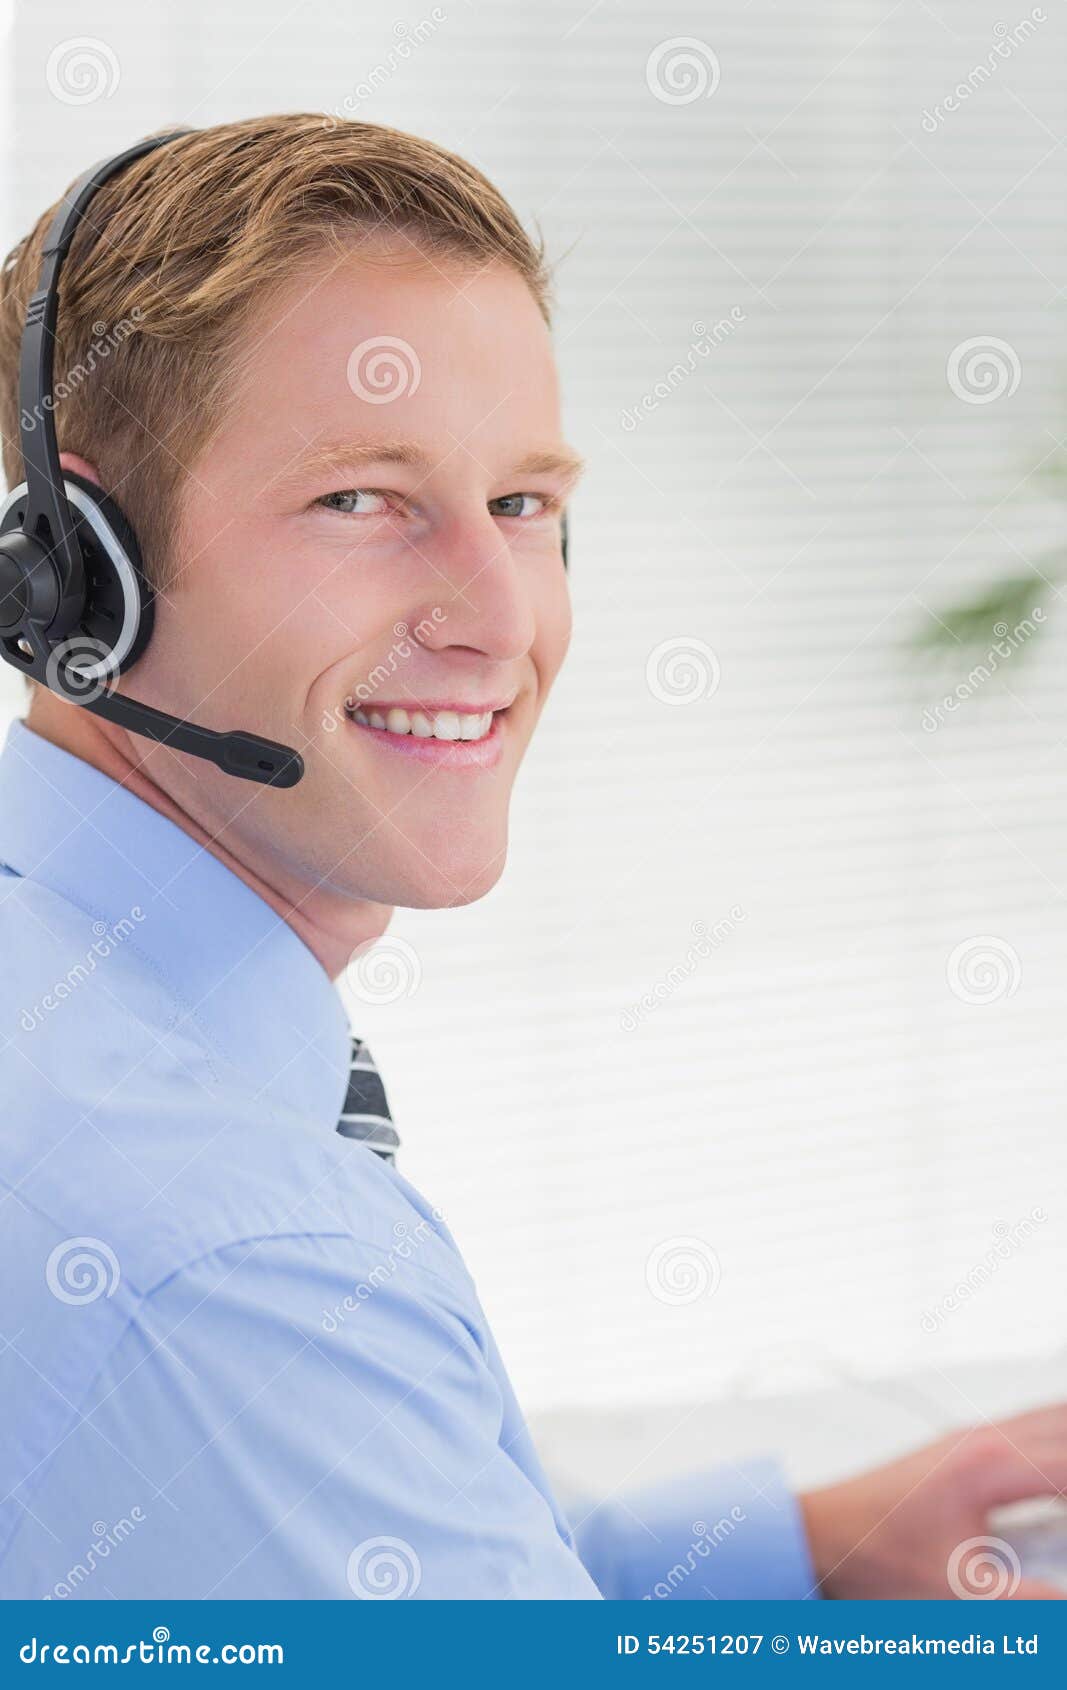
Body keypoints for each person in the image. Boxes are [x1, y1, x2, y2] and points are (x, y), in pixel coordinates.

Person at [0, 113, 1062, 1602]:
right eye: (362, 499)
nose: (501, 618)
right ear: (78, 572)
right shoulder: (226, 1256)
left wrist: (813, 1551)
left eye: (524, 505)